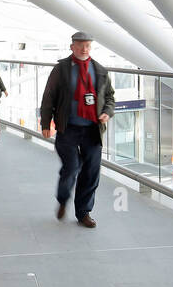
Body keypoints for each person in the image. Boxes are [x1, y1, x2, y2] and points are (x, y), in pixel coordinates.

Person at [39, 32, 116, 229]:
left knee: (91, 172)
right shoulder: (61, 69)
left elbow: (109, 98)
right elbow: (49, 97)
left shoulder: (99, 70)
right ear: (72, 46)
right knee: (71, 168)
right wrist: (46, 123)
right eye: (80, 45)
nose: (84, 49)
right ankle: (63, 199)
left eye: (88, 45)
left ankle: (84, 212)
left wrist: (107, 112)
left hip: (92, 129)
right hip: (68, 128)